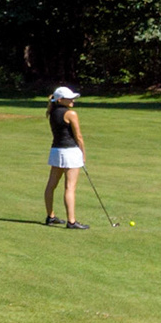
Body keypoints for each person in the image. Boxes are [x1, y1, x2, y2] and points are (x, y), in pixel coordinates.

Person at [44, 86, 88, 230]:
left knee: (52, 184)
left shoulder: (52, 111)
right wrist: (83, 154)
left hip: (56, 150)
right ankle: (72, 221)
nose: (72, 100)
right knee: (70, 187)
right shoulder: (71, 114)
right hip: (70, 152)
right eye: (70, 98)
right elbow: (79, 137)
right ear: (61, 99)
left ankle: (50, 217)